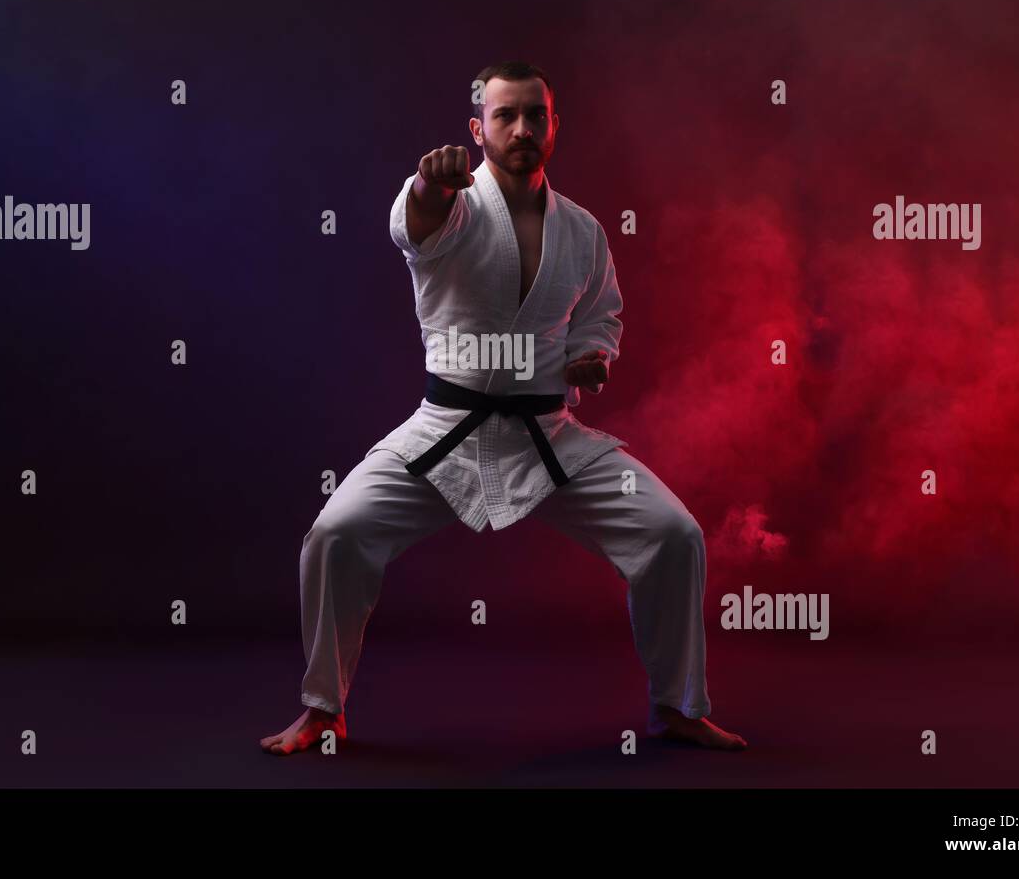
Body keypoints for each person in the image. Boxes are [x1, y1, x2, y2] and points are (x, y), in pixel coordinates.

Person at [261, 61, 747, 755]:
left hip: (549, 434)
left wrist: (592, 358)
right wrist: (429, 181)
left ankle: (676, 705)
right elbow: (413, 223)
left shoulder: (583, 231)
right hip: (444, 433)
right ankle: (323, 710)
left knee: (675, 535)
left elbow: (601, 317)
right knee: (336, 534)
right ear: (477, 128)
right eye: (504, 116)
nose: (521, 129)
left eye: (534, 116)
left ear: (554, 126)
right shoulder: (452, 206)